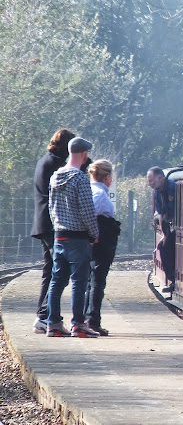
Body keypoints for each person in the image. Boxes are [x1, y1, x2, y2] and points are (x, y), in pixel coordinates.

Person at [45, 137, 100, 338]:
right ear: (84, 154)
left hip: (59, 235)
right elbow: (87, 210)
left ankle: (53, 324)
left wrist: (58, 227)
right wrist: (94, 233)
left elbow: (51, 207)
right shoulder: (80, 178)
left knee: (57, 281)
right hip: (78, 238)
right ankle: (78, 324)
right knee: (79, 281)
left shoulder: (55, 177)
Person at [31, 129, 76, 333]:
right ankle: (45, 316)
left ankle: (42, 316)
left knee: (49, 270)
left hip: (42, 223)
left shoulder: (44, 161)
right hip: (51, 224)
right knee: (60, 269)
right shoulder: (56, 165)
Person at [84, 160, 121, 336]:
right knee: (97, 282)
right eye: (111, 176)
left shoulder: (89, 191)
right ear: (106, 177)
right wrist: (95, 235)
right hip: (101, 242)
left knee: (89, 281)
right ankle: (92, 320)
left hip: (93, 241)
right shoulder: (99, 194)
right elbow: (92, 215)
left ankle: (86, 318)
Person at [146, 166, 176, 292]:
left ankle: (174, 280)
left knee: (169, 246)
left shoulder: (174, 188)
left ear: (160, 178)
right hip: (170, 224)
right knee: (163, 246)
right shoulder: (157, 192)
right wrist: (165, 235)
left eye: (151, 180)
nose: (149, 184)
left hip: (181, 225)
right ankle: (172, 279)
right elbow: (161, 214)